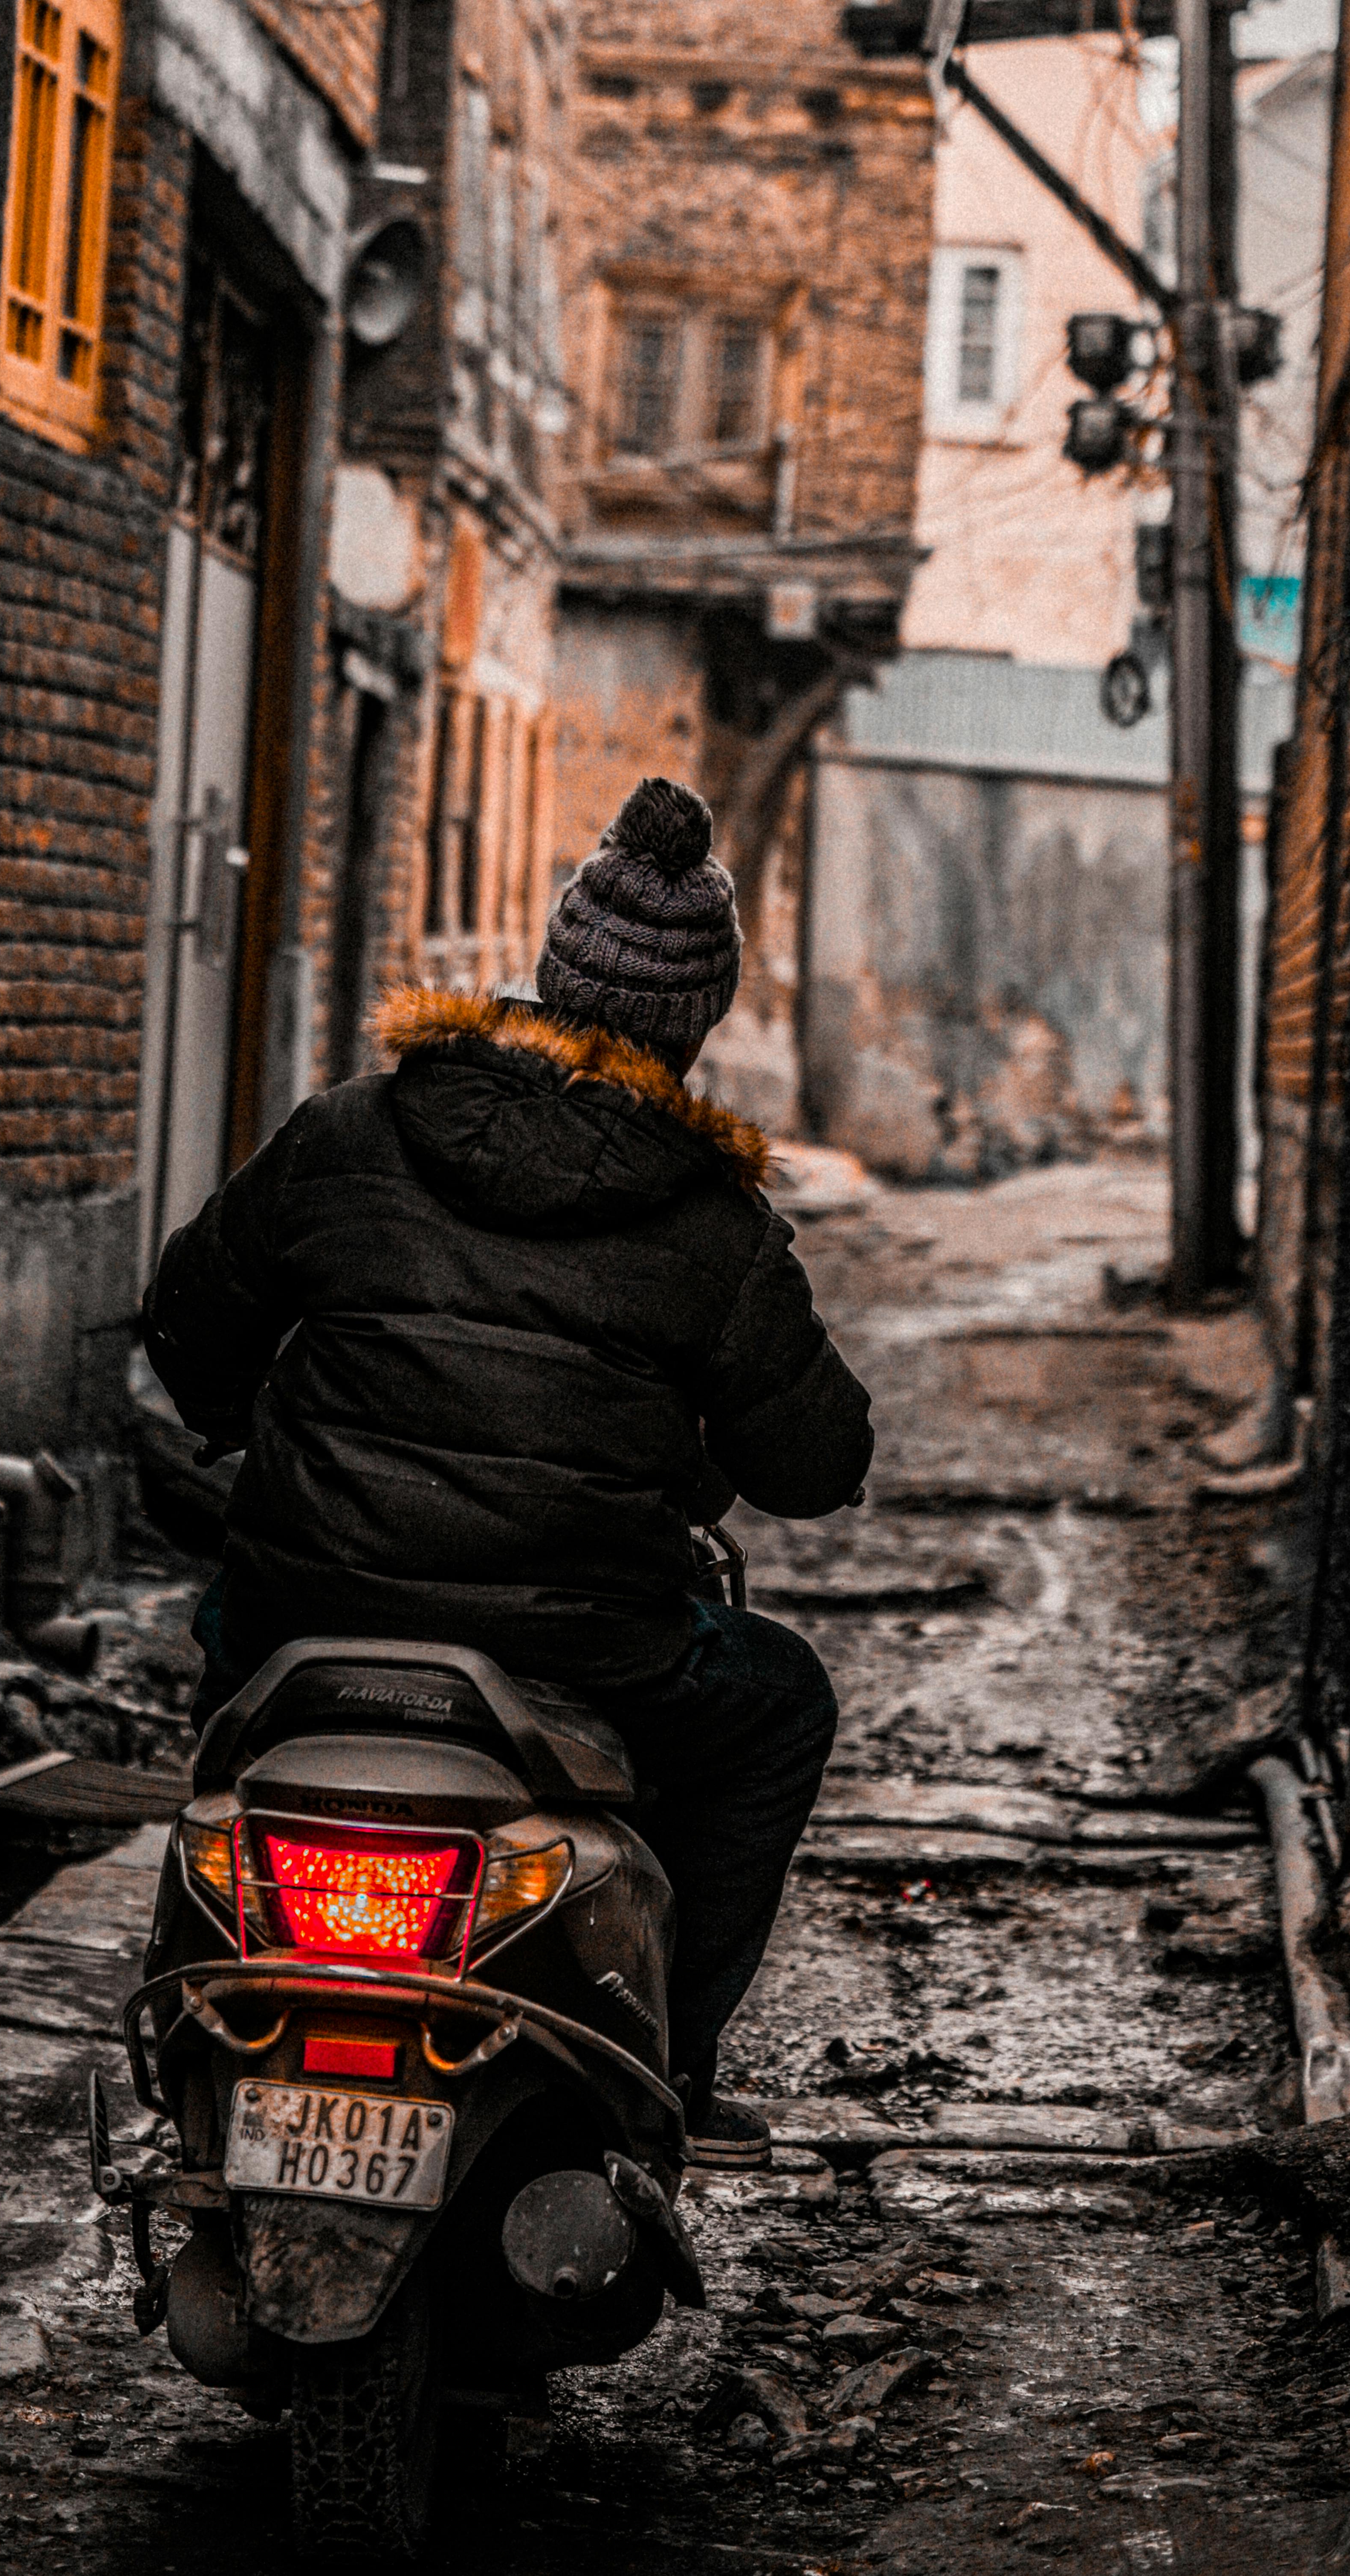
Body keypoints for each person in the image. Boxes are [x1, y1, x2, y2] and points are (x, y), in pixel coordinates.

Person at [141, 773, 873, 2167]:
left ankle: (195, 2029)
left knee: (224, 1722)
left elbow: (191, 1318)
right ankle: (665, 2070)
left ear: (548, 966)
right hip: (588, 1650)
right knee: (780, 1703)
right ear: (697, 1018)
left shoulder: (351, 1127)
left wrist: (257, 1427)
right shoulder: (713, 1227)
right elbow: (817, 1461)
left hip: (304, 1607)